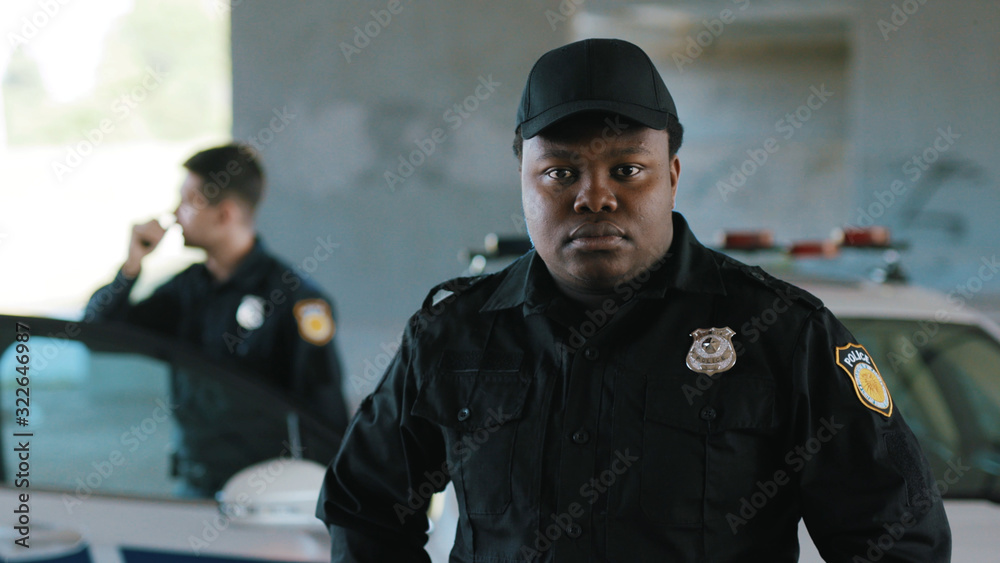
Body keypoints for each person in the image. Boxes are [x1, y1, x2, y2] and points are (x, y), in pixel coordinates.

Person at [316, 39, 950, 562]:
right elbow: (364, 509)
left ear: (671, 176)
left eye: (627, 170)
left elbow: (896, 538)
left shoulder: (783, 334)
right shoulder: (451, 336)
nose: (594, 197)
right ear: (523, 183)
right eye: (560, 173)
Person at [86, 143, 349, 496]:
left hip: (262, 494)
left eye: (188, 202)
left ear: (224, 214)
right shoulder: (186, 290)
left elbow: (325, 411)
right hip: (193, 485)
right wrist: (131, 267)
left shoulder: (296, 300)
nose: (174, 215)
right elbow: (97, 335)